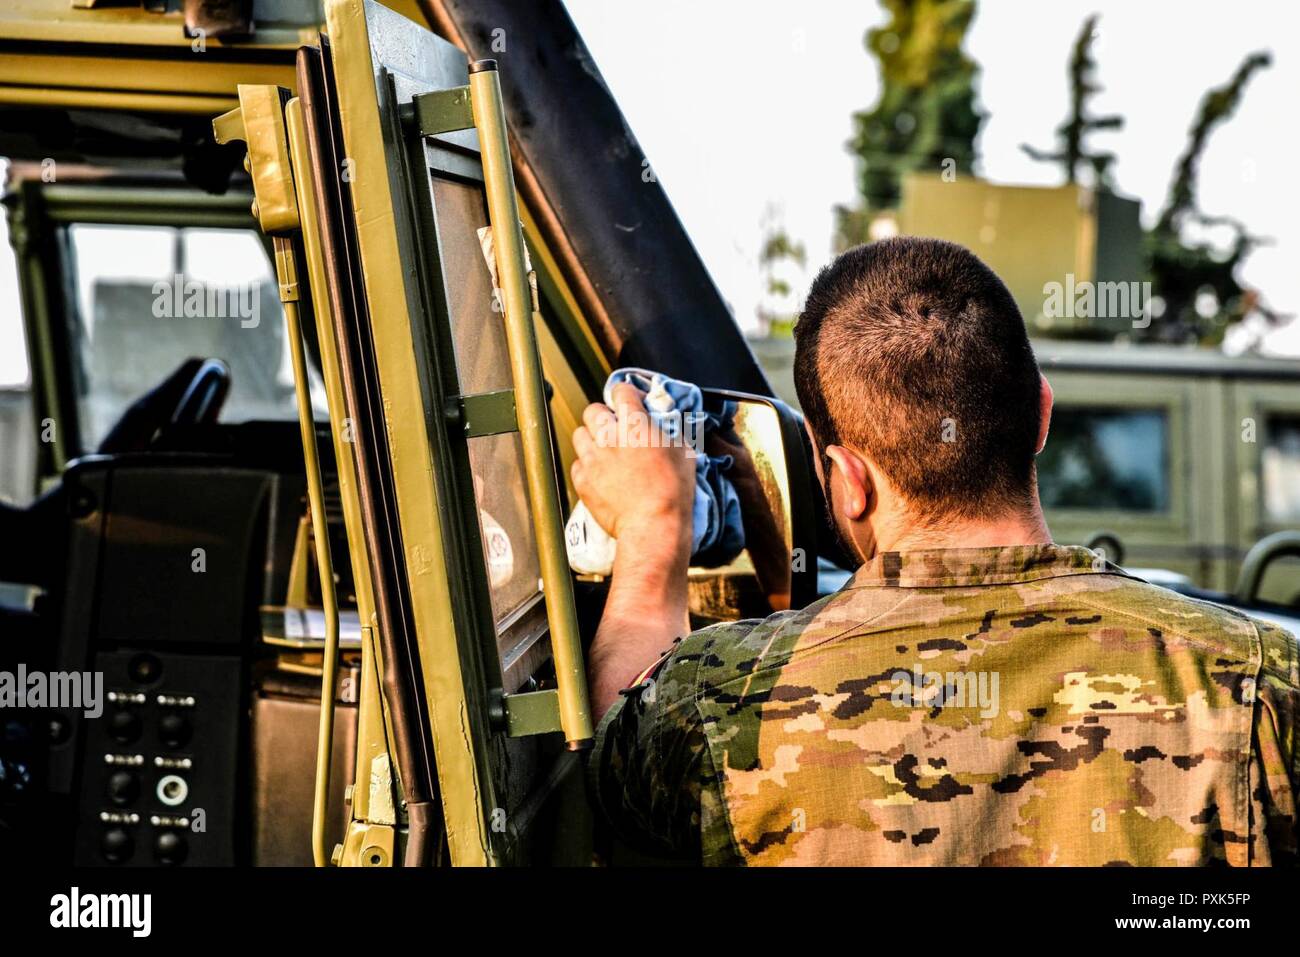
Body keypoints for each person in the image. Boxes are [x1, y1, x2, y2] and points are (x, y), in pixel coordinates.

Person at [572, 236, 1299, 866]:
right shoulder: (1258, 684)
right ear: (1040, 414)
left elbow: (612, 754)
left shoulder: (723, 698)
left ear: (848, 481)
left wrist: (654, 529)